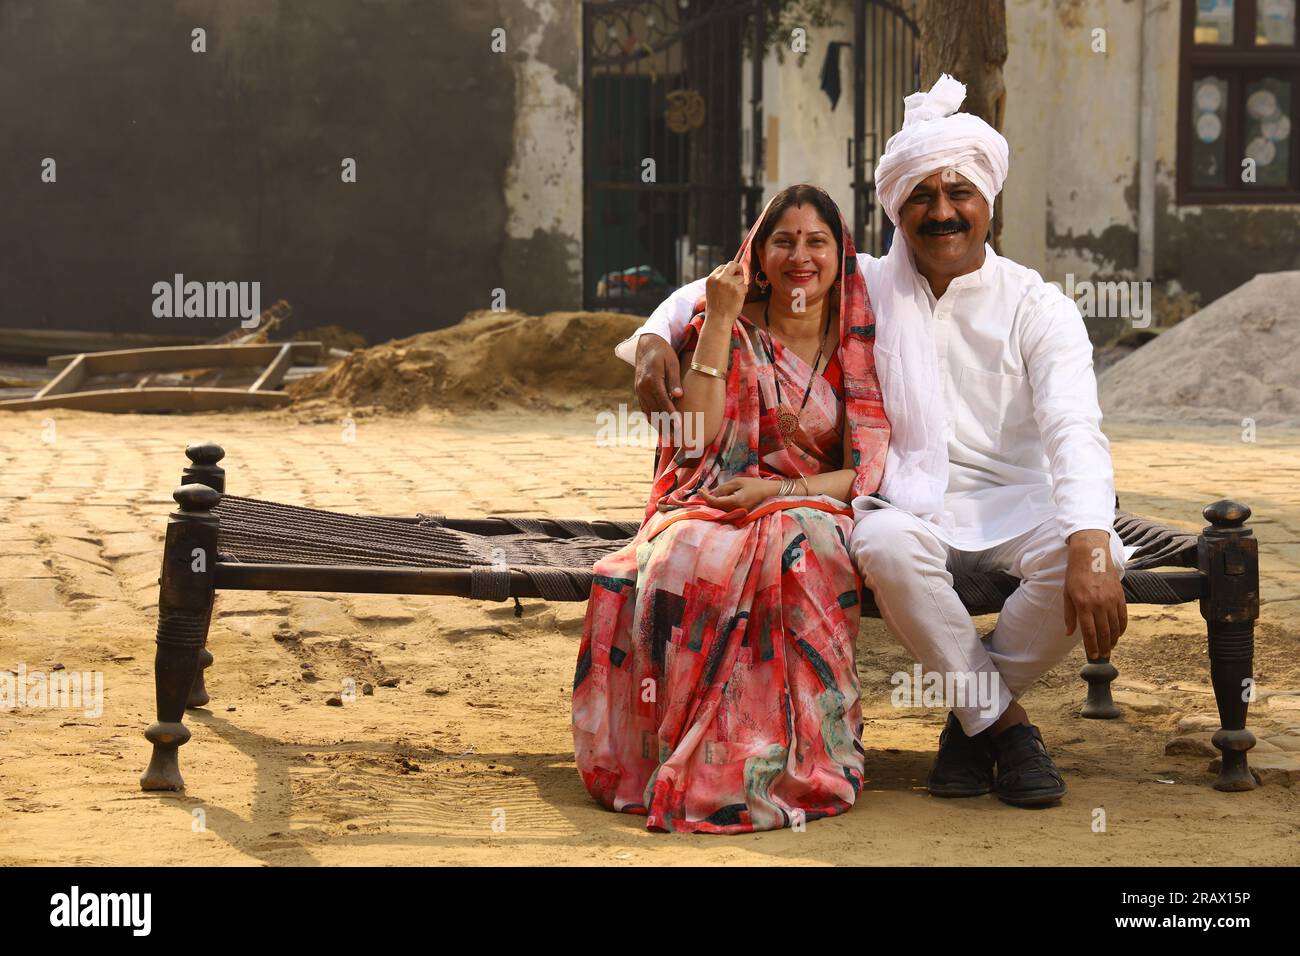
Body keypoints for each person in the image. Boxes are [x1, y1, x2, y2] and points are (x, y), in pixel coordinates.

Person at [620, 75, 1128, 808]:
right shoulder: (867, 283)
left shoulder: (1038, 306)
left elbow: (1075, 429)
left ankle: (971, 723)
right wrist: (649, 336)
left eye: (960, 193)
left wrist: (1088, 544)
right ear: (897, 206)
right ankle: (1006, 726)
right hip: (906, 501)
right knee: (883, 547)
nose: (942, 211)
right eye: (921, 195)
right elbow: (724, 285)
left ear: (988, 203)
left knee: (1093, 556)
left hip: (1019, 504)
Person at [572, 185, 891, 833]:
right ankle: (690, 751)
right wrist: (717, 322)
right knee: (680, 554)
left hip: (819, 505)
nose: (801, 256)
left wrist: (775, 493)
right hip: (718, 496)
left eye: (817, 241)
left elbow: (866, 475)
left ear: (841, 254)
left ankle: (789, 753)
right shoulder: (730, 326)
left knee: (790, 542)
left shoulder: (864, 343)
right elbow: (696, 437)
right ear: (758, 254)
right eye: (784, 240)